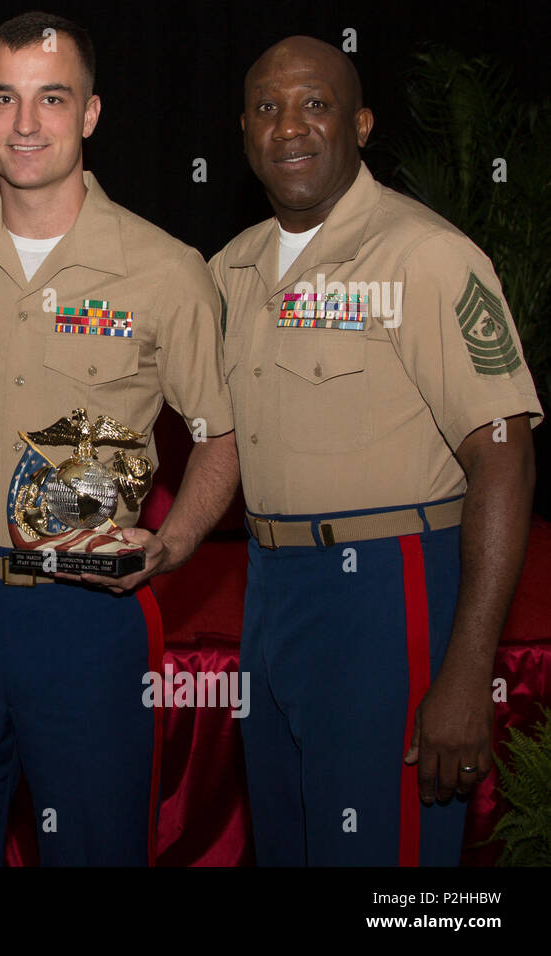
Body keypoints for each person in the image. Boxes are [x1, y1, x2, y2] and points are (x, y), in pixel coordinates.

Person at [0, 12, 238, 866]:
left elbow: (222, 435)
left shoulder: (166, 270)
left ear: (89, 114)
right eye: (4, 98)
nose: (25, 123)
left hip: (85, 613)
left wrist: (170, 546)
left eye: (52, 98)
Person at [208, 36, 540, 865]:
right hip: (271, 589)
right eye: (268, 108)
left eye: (315, 104)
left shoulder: (425, 255)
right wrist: (18, 217)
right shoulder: (231, 270)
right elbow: (109, 327)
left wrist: (467, 671)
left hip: (387, 593)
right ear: (244, 130)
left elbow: (504, 452)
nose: (290, 127)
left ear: (359, 124)